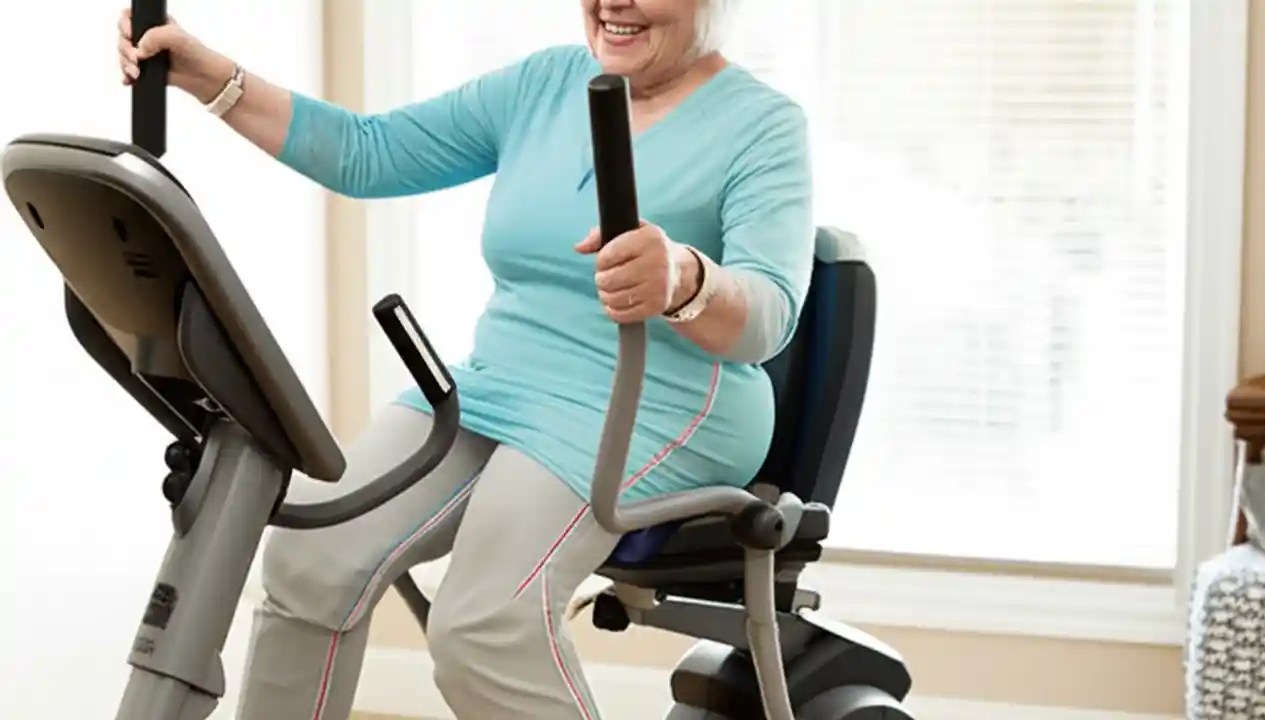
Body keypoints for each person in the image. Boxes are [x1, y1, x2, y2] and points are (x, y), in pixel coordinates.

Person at [117, 0, 814, 717]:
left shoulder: (762, 126)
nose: (616, 2)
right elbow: (368, 151)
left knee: (484, 622)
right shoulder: (545, 84)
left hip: (661, 400)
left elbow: (769, 317)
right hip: (500, 382)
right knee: (309, 561)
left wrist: (684, 277)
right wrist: (210, 78)